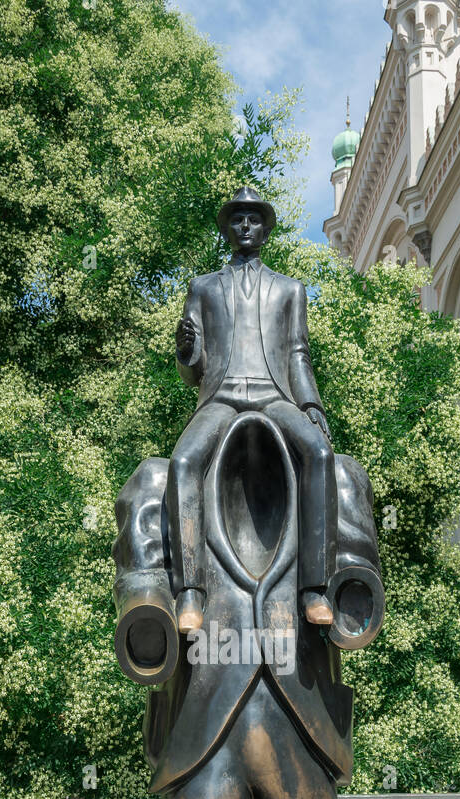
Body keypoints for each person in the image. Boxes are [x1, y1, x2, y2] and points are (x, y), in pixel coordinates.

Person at [168, 186, 337, 634]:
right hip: (221, 396)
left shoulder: (290, 289)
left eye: (254, 219)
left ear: (266, 229)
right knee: (183, 461)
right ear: (226, 229)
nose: (246, 226)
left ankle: (314, 590)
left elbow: (298, 354)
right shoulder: (202, 287)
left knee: (319, 454)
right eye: (238, 219)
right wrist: (187, 353)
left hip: (274, 395)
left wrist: (310, 405)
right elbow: (191, 370)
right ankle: (190, 594)